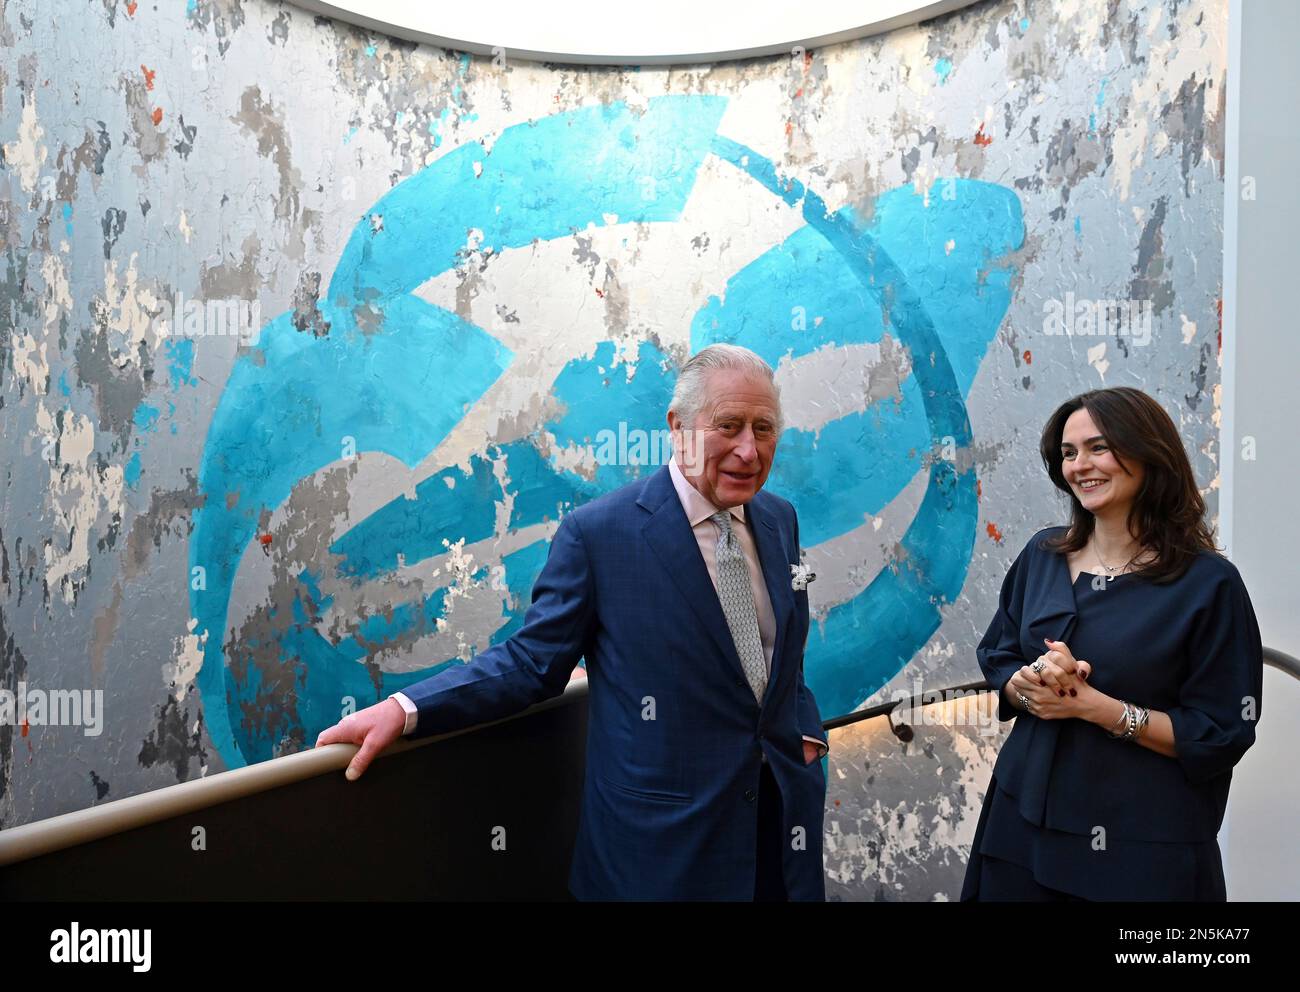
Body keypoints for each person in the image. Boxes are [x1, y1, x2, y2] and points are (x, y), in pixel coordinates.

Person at [314, 343, 828, 900]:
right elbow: (531, 662)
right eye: (728, 426)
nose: (749, 450)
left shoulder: (778, 519)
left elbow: (783, 652)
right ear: (678, 428)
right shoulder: (600, 535)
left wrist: (806, 734)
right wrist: (405, 709)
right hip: (662, 858)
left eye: (764, 428)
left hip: (782, 834)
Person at [961, 386, 1263, 901]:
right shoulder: (1041, 554)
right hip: (1019, 827)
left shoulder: (1210, 585)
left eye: (1098, 447)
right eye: (1068, 453)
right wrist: (1030, 684)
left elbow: (1222, 731)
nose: (1079, 465)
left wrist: (1096, 708)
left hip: (1141, 847)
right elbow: (1000, 655)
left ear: (1149, 453)